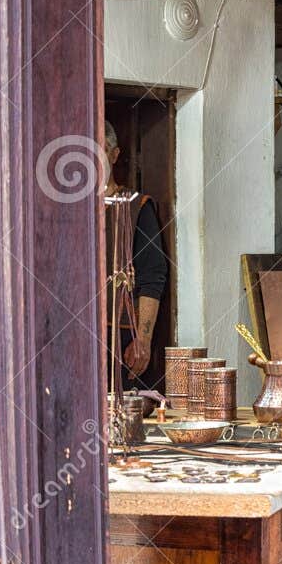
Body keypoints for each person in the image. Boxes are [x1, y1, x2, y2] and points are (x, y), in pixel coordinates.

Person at [104, 119, 168, 388]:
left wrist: (143, 340)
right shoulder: (64, 211)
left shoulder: (134, 207)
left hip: (120, 338)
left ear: (114, 154)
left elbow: (153, 275)